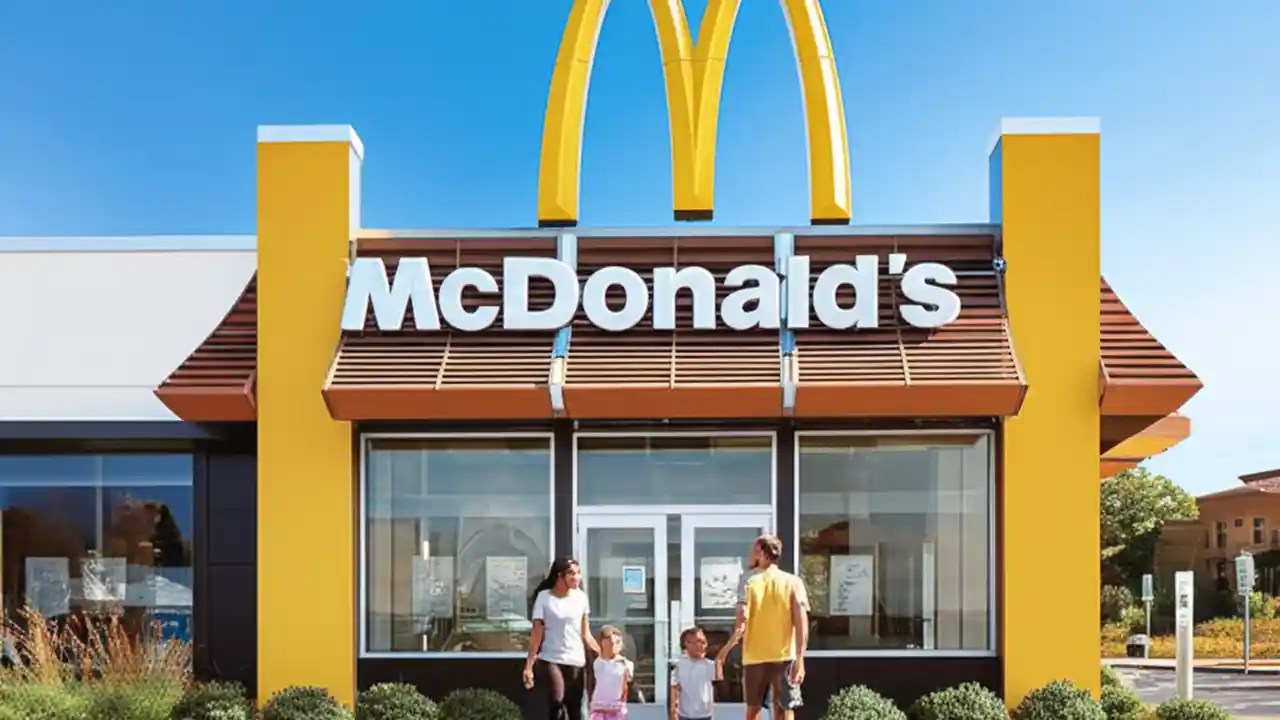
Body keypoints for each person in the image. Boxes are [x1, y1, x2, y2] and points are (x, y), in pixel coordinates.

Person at [738, 534, 808, 720]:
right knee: (784, 707)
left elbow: (740, 620)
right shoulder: (793, 582)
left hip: (753, 655)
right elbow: (801, 623)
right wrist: (800, 659)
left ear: (761, 552)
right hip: (784, 655)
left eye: (753, 549)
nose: (750, 554)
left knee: (753, 709)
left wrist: (727, 648)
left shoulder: (747, 580)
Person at [525, 556, 600, 720]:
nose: (577, 578)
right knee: (557, 703)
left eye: (578, 573)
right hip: (551, 658)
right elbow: (537, 634)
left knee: (575, 711)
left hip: (576, 660)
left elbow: (585, 633)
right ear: (560, 576)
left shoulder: (581, 598)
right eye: (572, 574)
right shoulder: (544, 598)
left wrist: (603, 655)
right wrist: (529, 666)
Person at [588, 625, 634, 720]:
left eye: (616, 642)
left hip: (617, 710)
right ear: (601, 643)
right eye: (609, 642)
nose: (612, 645)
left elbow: (628, 683)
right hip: (598, 709)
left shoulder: (626, 664)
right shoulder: (595, 663)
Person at [670, 626, 716, 720]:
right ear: (687, 643)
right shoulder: (679, 665)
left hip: (705, 715)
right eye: (698, 642)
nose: (702, 645)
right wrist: (673, 712)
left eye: (704, 642)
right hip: (685, 715)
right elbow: (675, 688)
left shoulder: (709, 665)